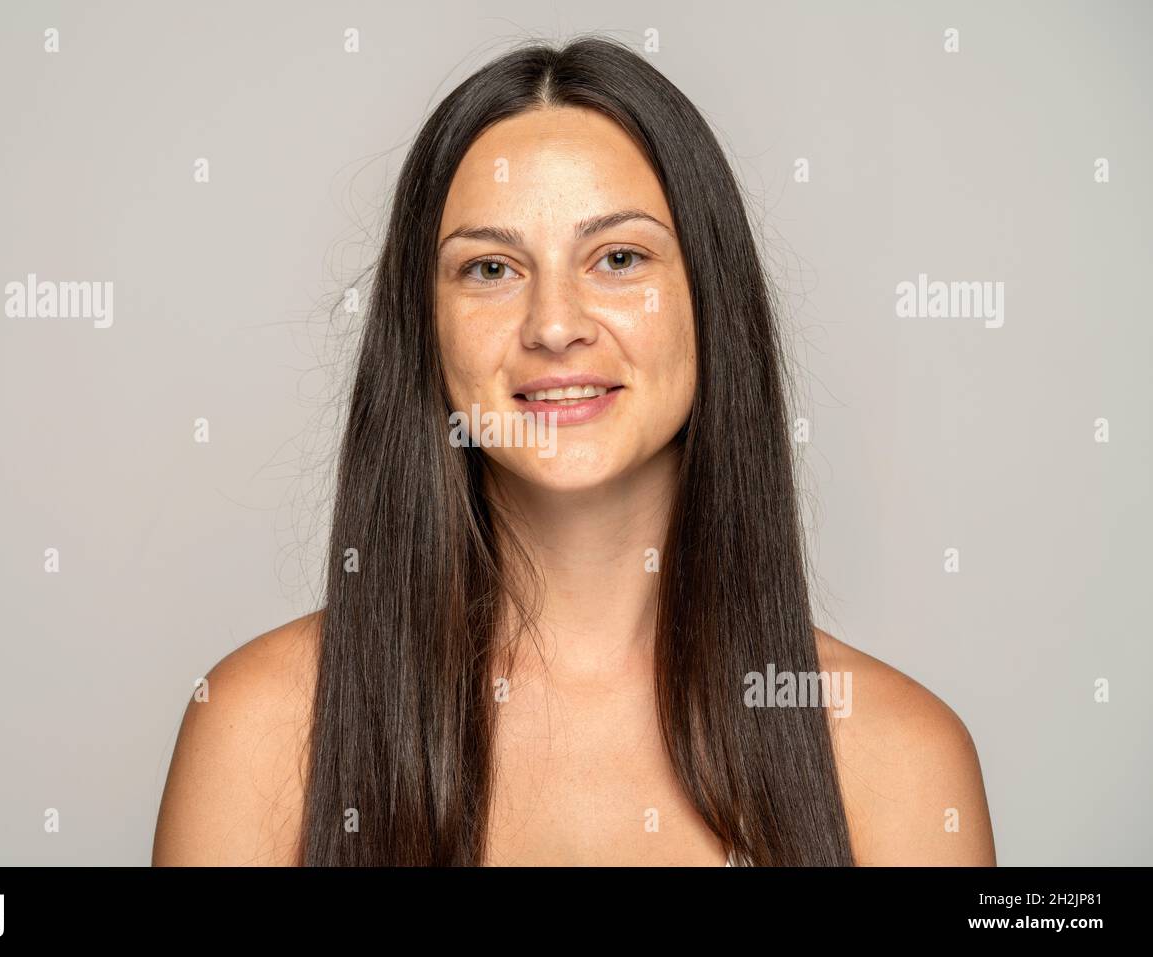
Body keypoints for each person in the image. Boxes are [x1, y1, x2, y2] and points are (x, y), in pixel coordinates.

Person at [152, 35, 995, 867]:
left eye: (619, 258)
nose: (554, 325)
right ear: (423, 327)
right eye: (489, 268)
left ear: (711, 297)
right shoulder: (258, 728)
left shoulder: (901, 759)